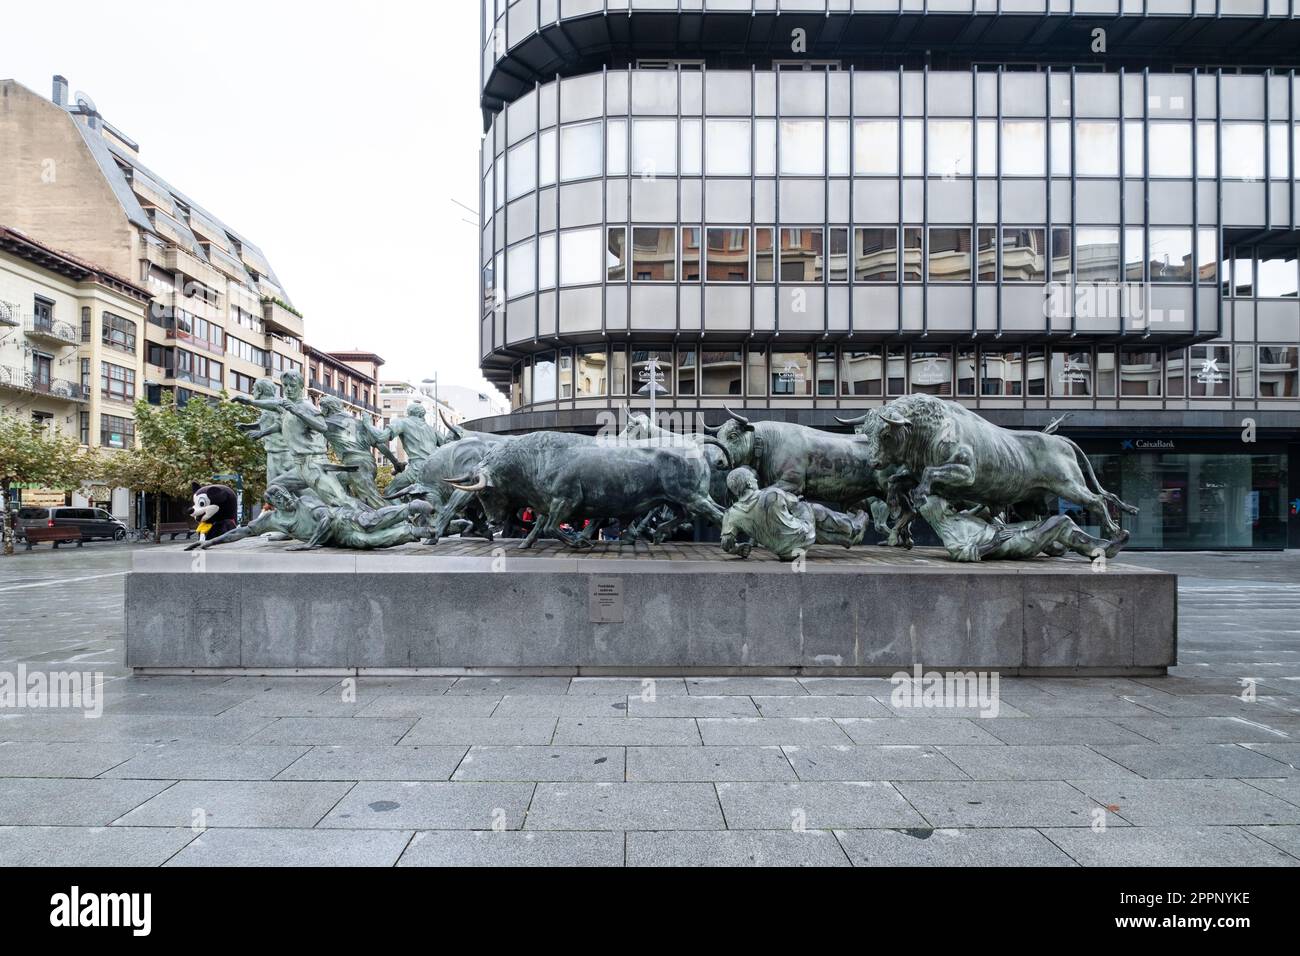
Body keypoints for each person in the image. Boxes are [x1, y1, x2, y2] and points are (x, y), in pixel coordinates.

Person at [188, 484, 432, 552]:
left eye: (286, 495)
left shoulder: (306, 502)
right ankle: (414, 533)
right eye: (280, 498)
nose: (287, 499)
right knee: (367, 542)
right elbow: (241, 532)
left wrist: (310, 544)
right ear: (276, 503)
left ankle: (411, 507)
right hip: (337, 539)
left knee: (370, 523)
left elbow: (325, 519)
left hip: (340, 521)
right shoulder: (271, 520)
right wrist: (208, 543)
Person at [231, 370, 352, 506]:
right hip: (300, 465)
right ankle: (295, 517)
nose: (288, 389)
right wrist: (250, 402)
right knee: (274, 487)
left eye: (292, 386)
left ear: (301, 387)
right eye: (285, 386)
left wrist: (297, 411)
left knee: (338, 503)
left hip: (314, 463)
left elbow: (323, 427)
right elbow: (275, 405)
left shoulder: (307, 407)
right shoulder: (285, 405)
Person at [914, 492, 1130, 562]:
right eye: (943, 502)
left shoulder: (958, 517)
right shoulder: (949, 533)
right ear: (936, 510)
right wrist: (993, 543)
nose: (948, 502)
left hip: (1009, 531)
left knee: (1046, 526)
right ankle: (1101, 550)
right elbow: (962, 553)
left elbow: (982, 509)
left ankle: (1061, 547)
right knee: (1060, 522)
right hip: (1009, 543)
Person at [720, 466, 866, 561]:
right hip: (804, 537)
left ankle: (847, 538)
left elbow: (726, 544)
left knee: (798, 524)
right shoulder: (772, 494)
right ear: (749, 483)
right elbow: (796, 503)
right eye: (753, 478)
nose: (756, 480)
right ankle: (852, 527)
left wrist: (738, 550)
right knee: (809, 508)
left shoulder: (730, 514)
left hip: (783, 553)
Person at [318, 395, 400, 507]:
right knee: (334, 481)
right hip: (368, 465)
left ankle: (403, 518)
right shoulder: (357, 422)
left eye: (322, 407)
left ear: (327, 408)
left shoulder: (326, 423)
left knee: (374, 502)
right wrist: (395, 462)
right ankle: (350, 510)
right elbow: (379, 445)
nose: (321, 411)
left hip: (356, 466)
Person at [381, 403, 444, 498]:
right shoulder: (433, 430)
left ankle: (404, 511)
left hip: (417, 469)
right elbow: (448, 445)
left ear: (409, 413)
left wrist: (367, 425)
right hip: (435, 470)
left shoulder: (403, 422)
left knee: (390, 491)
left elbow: (381, 437)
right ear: (422, 415)